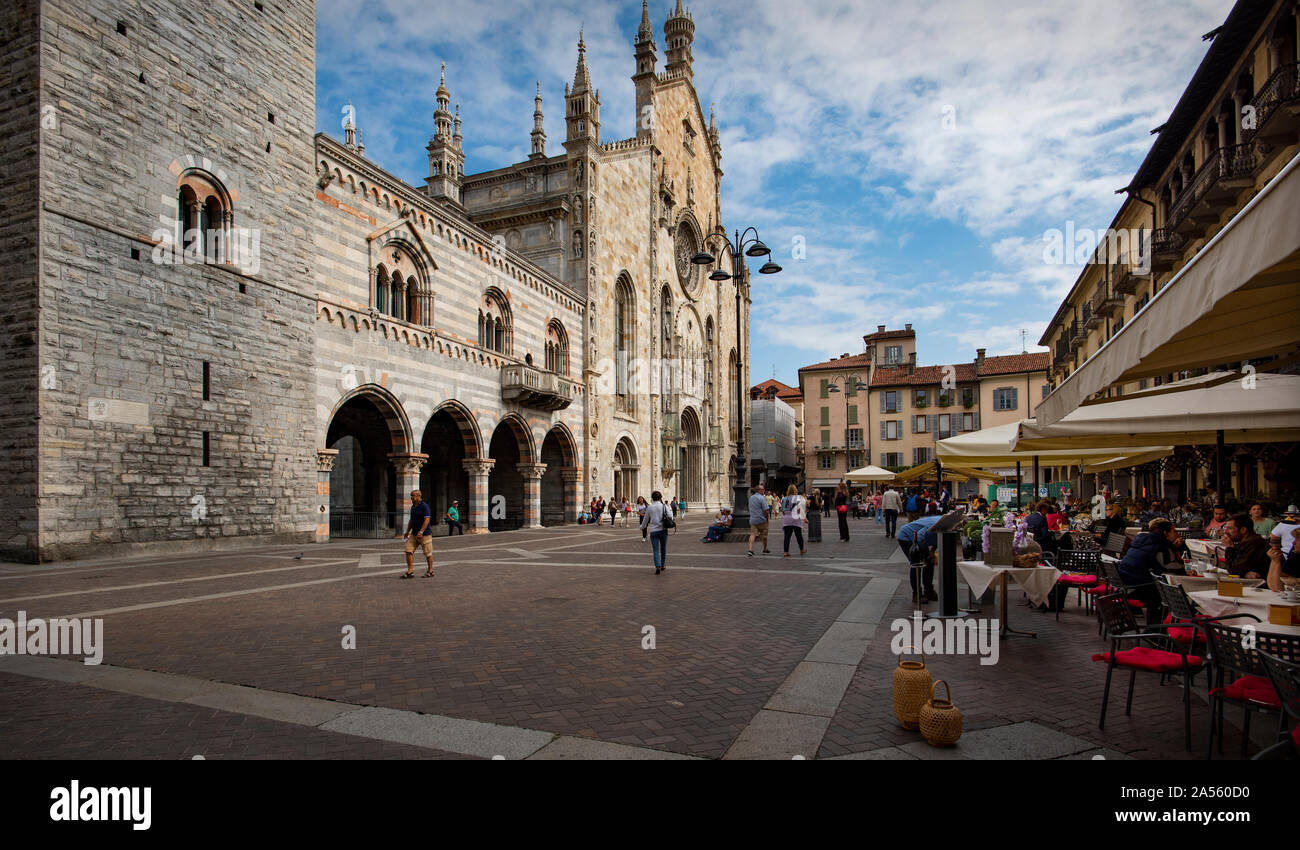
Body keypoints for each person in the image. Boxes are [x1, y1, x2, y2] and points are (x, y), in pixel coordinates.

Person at [1117, 518, 1186, 618]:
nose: (1177, 534)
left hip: (1126, 580)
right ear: (1165, 533)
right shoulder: (1161, 545)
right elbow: (1174, 567)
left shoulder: (1142, 540)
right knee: (1168, 593)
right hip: (1141, 584)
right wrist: (1176, 550)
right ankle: (1158, 628)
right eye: (1174, 531)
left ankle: (1156, 628)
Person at [897, 514, 943, 603]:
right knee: (916, 565)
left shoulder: (945, 524)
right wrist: (922, 555)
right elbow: (920, 537)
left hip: (920, 539)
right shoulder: (935, 525)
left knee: (929, 562)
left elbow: (938, 538)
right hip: (907, 537)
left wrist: (932, 552)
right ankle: (917, 594)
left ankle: (928, 590)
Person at [1223, 513, 1270, 578]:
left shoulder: (1253, 543)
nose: (1225, 532)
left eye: (1230, 528)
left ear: (1243, 530)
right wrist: (1244, 574)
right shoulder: (1248, 541)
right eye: (1226, 528)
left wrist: (1229, 547)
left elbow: (1233, 570)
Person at [402, 489, 434, 579]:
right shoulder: (413, 507)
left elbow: (427, 519)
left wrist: (421, 531)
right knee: (408, 550)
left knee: (428, 553)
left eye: (413, 495)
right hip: (414, 534)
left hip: (425, 534)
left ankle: (430, 570)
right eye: (411, 495)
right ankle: (410, 571)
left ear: (419, 496)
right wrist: (407, 531)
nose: (411, 497)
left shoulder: (424, 506)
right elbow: (411, 520)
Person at [641, 491, 670, 574]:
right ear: (660, 498)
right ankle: (663, 565)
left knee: (655, 550)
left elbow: (645, 520)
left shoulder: (650, 507)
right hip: (663, 530)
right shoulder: (664, 506)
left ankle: (657, 566)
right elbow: (670, 516)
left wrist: (642, 527)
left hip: (654, 531)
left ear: (652, 498)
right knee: (663, 548)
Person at [780, 485, 807, 557]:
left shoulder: (784, 498)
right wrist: (804, 518)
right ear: (795, 490)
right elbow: (799, 510)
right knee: (799, 536)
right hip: (795, 519)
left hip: (787, 519)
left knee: (787, 536)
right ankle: (802, 550)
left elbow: (782, 511)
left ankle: (786, 552)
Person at [747, 484, 771, 556]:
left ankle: (750, 549)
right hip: (762, 519)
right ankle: (765, 549)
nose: (764, 491)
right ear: (759, 490)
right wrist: (767, 518)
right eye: (763, 489)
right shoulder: (762, 498)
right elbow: (766, 510)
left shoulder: (751, 498)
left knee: (753, 534)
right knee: (764, 535)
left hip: (753, 520)